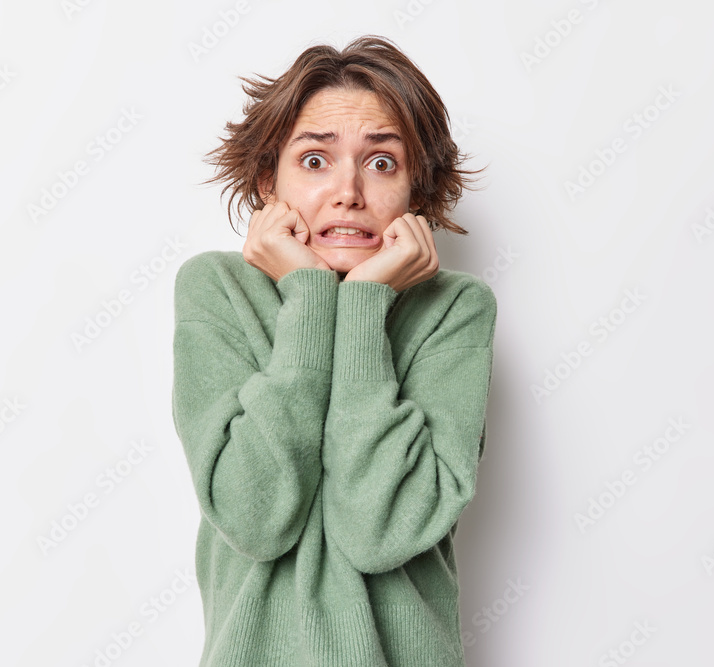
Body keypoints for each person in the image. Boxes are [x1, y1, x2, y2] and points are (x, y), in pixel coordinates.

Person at [171, 35, 498, 666]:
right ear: (269, 179)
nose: (348, 191)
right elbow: (254, 517)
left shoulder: (456, 311)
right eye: (315, 161)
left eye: (382, 164)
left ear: (417, 191)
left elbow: (381, 532)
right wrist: (310, 295)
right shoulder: (216, 289)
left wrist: (365, 302)